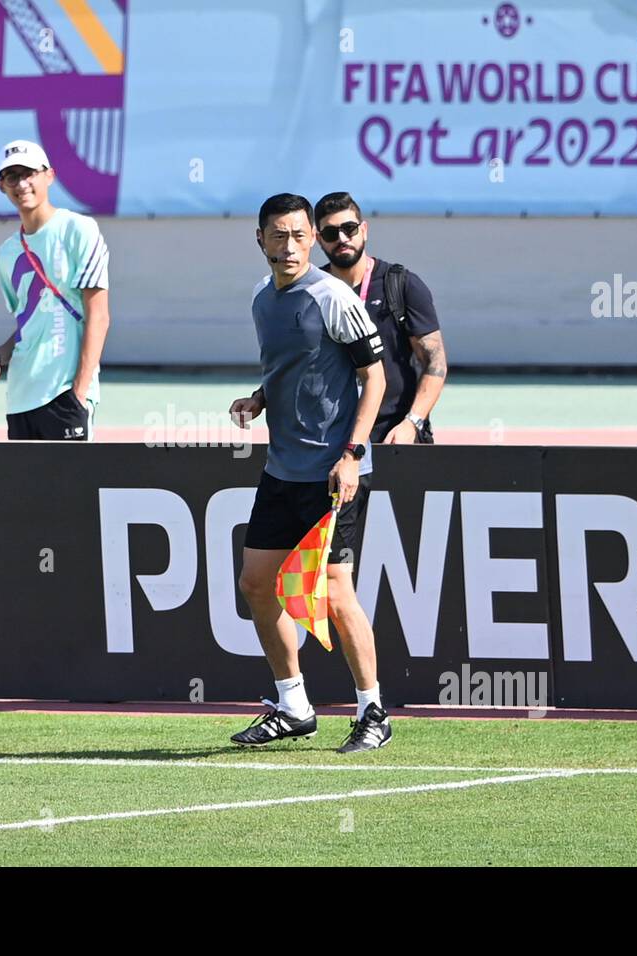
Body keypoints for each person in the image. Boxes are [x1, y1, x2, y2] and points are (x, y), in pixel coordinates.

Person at [227, 193, 392, 754]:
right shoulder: (259, 298)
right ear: (261, 240)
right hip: (282, 470)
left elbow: (375, 378)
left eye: (301, 235)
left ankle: (374, 711)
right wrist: (257, 399)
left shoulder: (334, 297)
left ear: (312, 240)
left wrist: (352, 453)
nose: (291, 246)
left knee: (334, 591)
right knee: (255, 584)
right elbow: (288, 370)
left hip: (334, 472)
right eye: (279, 235)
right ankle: (293, 704)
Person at [0, 140, 111, 441]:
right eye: (11, 176)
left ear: (49, 175)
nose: (21, 183)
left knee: (72, 488)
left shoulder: (79, 230)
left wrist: (79, 392)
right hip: (20, 399)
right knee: (24, 489)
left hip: (65, 394)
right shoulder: (6, 254)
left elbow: (98, 316)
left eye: (29, 173)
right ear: (1, 186)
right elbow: (29, 324)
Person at [314, 192, 446, 445]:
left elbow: (435, 363)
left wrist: (413, 422)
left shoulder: (402, 284)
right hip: (330, 438)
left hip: (392, 437)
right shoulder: (314, 291)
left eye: (349, 228)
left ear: (364, 230)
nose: (342, 239)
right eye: (331, 234)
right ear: (319, 240)